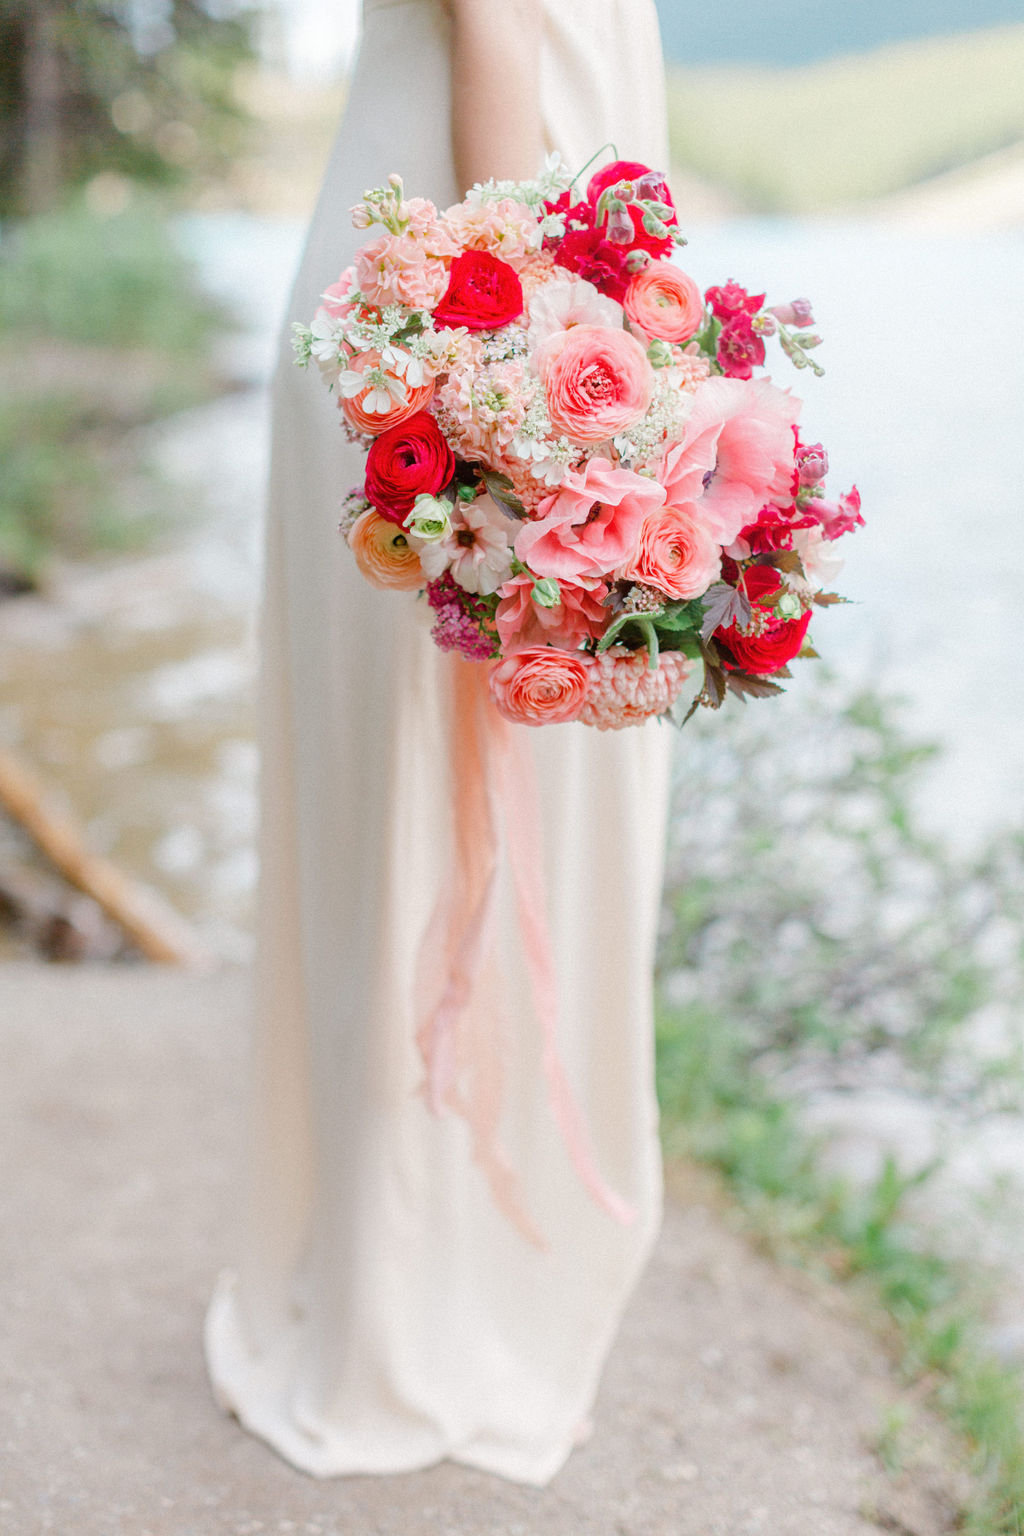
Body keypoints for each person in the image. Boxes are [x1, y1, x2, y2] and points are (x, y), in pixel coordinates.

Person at [204, 0, 676, 1487]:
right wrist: (525, 371)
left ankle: (397, 1278)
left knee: (411, 810)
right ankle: (421, 1311)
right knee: (446, 800)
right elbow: (498, 33)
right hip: (470, 301)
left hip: (468, 270)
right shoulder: (497, 323)